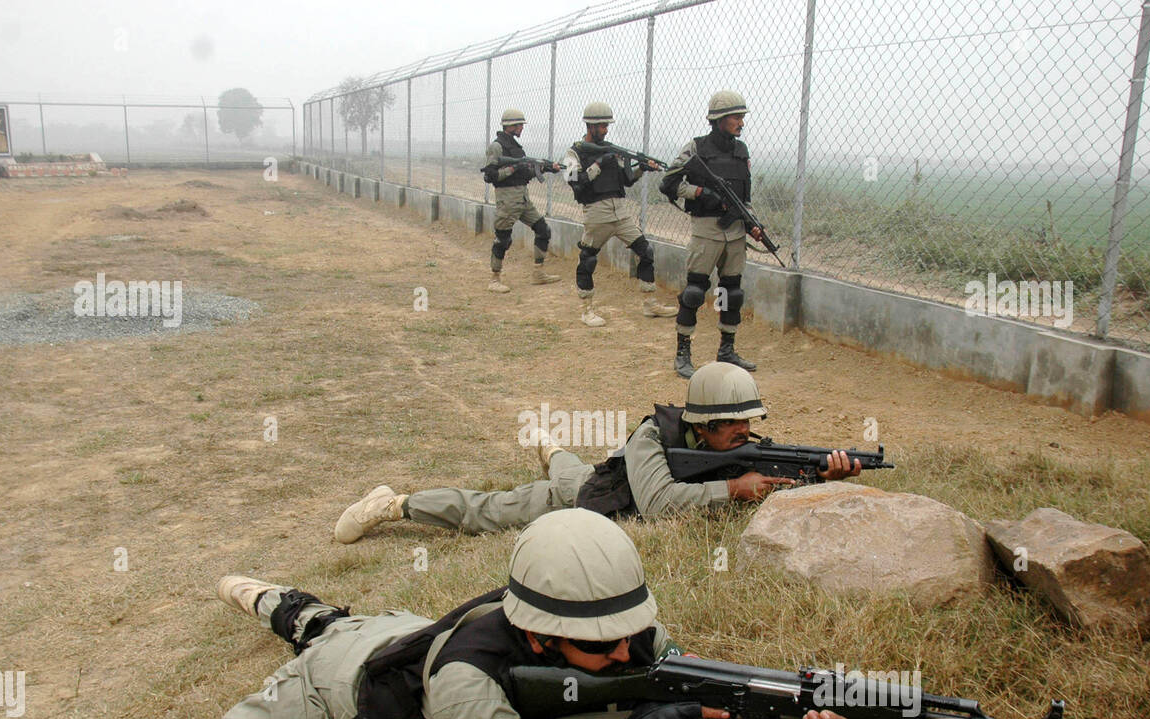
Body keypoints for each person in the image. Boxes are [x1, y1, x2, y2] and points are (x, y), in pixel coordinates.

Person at [0, 510, 860, 719]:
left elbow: (674, 682)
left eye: (634, 637)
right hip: (338, 693)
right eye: (603, 649)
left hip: (395, 631)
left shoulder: (611, 632)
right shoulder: (472, 682)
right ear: (539, 635)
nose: (630, 658)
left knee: (337, 623)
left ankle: (276, 599)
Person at [333, 361, 861, 542]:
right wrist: (732, 489)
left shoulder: (737, 444)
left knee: (569, 465)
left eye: (749, 422)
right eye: (733, 426)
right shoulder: (653, 436)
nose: (744, 433)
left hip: (603, 475)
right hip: (597, 497)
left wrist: (824, 476)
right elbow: (655, 506)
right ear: (702, 424)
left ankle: (550, 447)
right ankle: (395, 503)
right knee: (493, 511)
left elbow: (775, 480)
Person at [660, 90, 761, 379]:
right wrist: (700, 192)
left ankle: (726, 350)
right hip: (706, 230)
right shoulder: (696, 148)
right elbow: (669, 183)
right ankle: (683, 354)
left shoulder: (741, 151)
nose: (741, 122)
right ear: (718, 119)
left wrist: (752, 223)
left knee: (731, 293)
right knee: (694, 292)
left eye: (742, 117)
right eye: (735, 117)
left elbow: (745, 195)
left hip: (736, 231)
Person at [560, 101, 677, 327]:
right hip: (596, 213)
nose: (605, 130)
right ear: (590, 126)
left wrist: (643, 168)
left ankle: (649, 303)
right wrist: (599, 163)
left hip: (620, 212)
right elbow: (576, 183)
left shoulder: (611, 150)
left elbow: (627, 180)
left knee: (646, 251)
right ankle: (586, 310)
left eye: (606, 125)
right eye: (602, 126)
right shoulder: (573, 152)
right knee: (588, 259)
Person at [481, 108, 561, 293]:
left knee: (543, 230)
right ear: (510, 125)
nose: (521, 128)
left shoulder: (517, 148)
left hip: (523, 198)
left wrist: (547, 168)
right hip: (507, 199)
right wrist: (512, 169)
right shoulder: (497, 147)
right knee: (503, 239)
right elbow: (490, 176)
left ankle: (538, 273)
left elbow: (526, 172)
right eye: (519, 125)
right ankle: (494, 279)